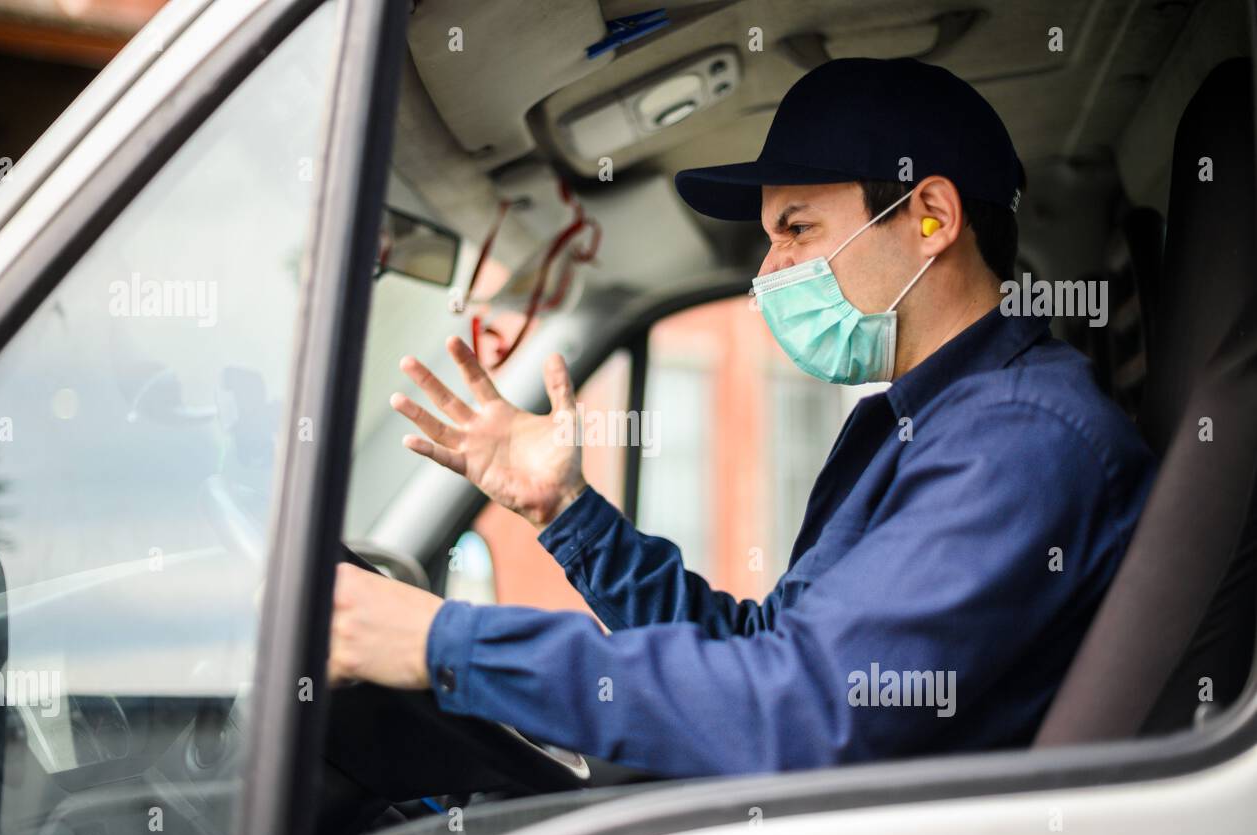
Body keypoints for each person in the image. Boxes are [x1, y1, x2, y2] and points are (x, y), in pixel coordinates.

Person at [326, 58, 1157, 777]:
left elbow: (802, 712)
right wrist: (566, 514)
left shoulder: (1022, 438)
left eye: (795, 228)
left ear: (931, 216)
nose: (768, 272)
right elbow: (766, 653)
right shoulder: (933, 420)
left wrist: (445, 644)